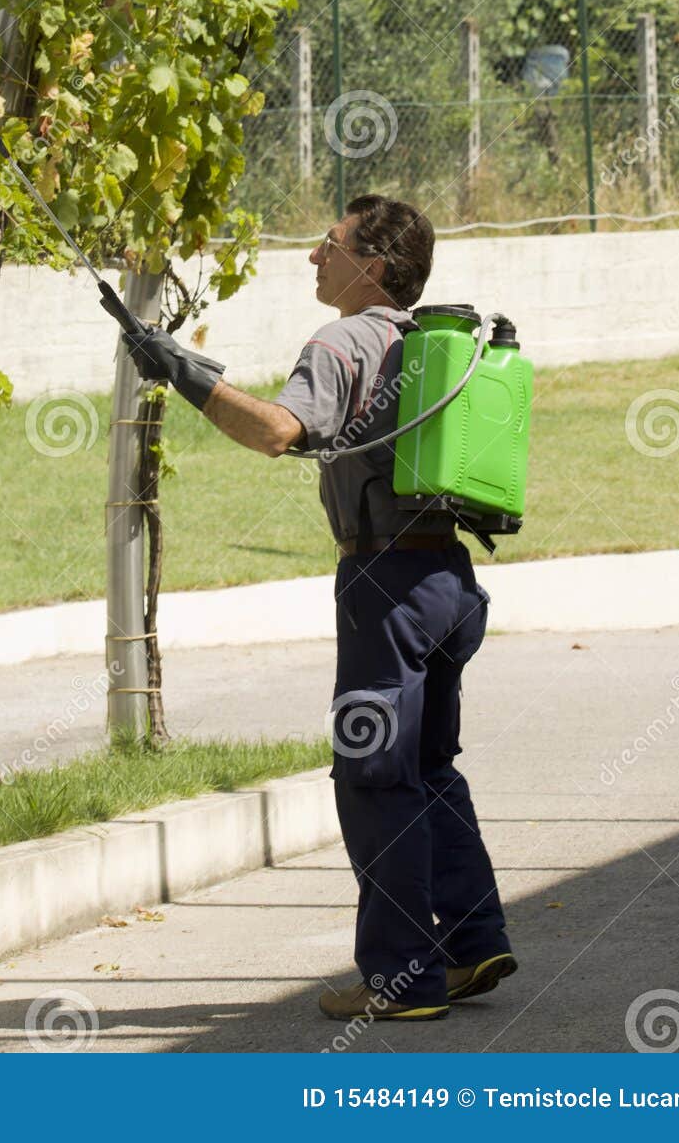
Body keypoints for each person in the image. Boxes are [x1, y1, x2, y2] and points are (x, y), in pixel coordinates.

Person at [122, 194, 515, 1023]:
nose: (312, 256)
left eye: (327, 245)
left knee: (370, 776)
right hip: (447, 580)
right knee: (429, 768)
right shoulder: (435, 345)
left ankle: (401, 977)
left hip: (382, 587)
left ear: (370, 265)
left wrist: (183, 371)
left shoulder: (341, 340)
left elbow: (277, 432)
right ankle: (474, 943)